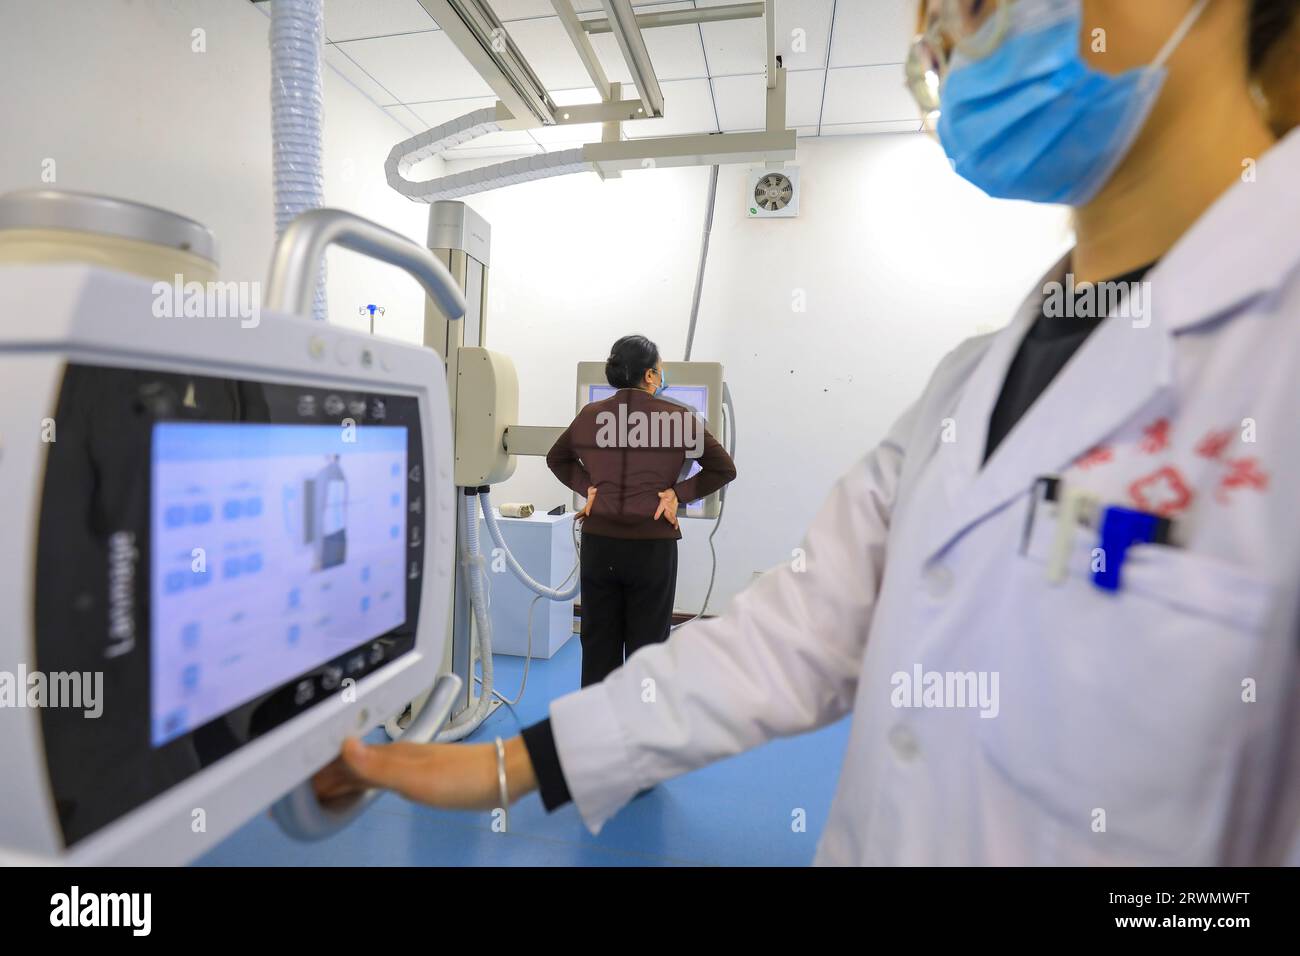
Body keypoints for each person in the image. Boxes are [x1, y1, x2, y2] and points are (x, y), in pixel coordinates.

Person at [314, 0, 1300, 865]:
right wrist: (509, 763)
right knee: (631, 641)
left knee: (605, 643)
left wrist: (590, 494)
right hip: (641, 547)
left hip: (605, 539)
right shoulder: (968, 382)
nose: (942, 30)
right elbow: (792, 629)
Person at [546, 334, 737, 686]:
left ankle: (596, 727)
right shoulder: (679, 419)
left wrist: (588, 488)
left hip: (599, 546)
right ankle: (640, 728)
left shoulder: (590, 416)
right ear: (650, 376)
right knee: (648, 649)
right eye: (660, 370)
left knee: (598, 644)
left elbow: (556, 459)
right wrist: (677, 494)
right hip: (651, 549)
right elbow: (723, 468)